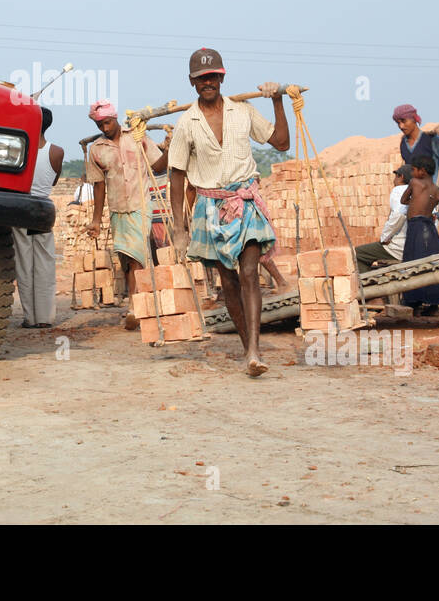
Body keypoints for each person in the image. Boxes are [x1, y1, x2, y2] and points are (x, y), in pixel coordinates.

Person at [167, 47, 297, 377]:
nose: (208, 82)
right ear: (192, 82)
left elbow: (281, 143)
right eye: (201, 78)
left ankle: (255, 350)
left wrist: (277, 100)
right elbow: (177, 174)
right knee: (229, 281)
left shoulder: (243, 110)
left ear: (222, 77)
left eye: (213, 76)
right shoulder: (186, 123)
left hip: (245, 201)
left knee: (251, 272)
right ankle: (246, 346)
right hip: (210, 207)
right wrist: (180, 229)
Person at [85, 100, 168, 328]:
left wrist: (168, 150)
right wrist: (95, 220)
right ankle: (140, 302)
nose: (104, 128)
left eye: (108, 123)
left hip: (140, 206)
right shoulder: (97, 150)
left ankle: (135, 307)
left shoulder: (137, 137)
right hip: (117, 211)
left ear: (116, 118)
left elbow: (158, 166)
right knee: (127, 260)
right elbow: (98, 186)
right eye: (99, 125)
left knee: (136, 259)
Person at [13, 107, 64, 328]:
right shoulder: (57, 152)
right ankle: (44, 318)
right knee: (44, 263)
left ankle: (29, 317)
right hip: (43, 209)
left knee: (24, 264)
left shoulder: (20, 149)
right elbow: (53, 182)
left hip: (22, 208)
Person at [399, 154, 439, 315]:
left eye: (414, 169)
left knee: (413, 262)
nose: (412, 172)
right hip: (429, 228)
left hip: (416, 228)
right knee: (432, 264)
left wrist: (413, 201)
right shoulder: (437, 190)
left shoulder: (414, 182)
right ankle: (433, 304)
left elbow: (403, 200)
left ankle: (414, 302)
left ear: (422, 171)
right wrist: (437, 214)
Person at [355, 165, 412, 273]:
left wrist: (385, 238)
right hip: (416, 245)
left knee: (357, 254)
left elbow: (399, 215)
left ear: (401, 177)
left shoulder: (399, 190)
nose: (394, 180)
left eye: (396, 177)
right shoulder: (423, 192)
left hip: (398, 247)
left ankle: (366, 285)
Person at [392, 104, 439, 179]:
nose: (401, 126)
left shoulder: (431, 139)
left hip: (431, 189)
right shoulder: (403, 143)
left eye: (404, 121)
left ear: (414, 119)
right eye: (398, 123)